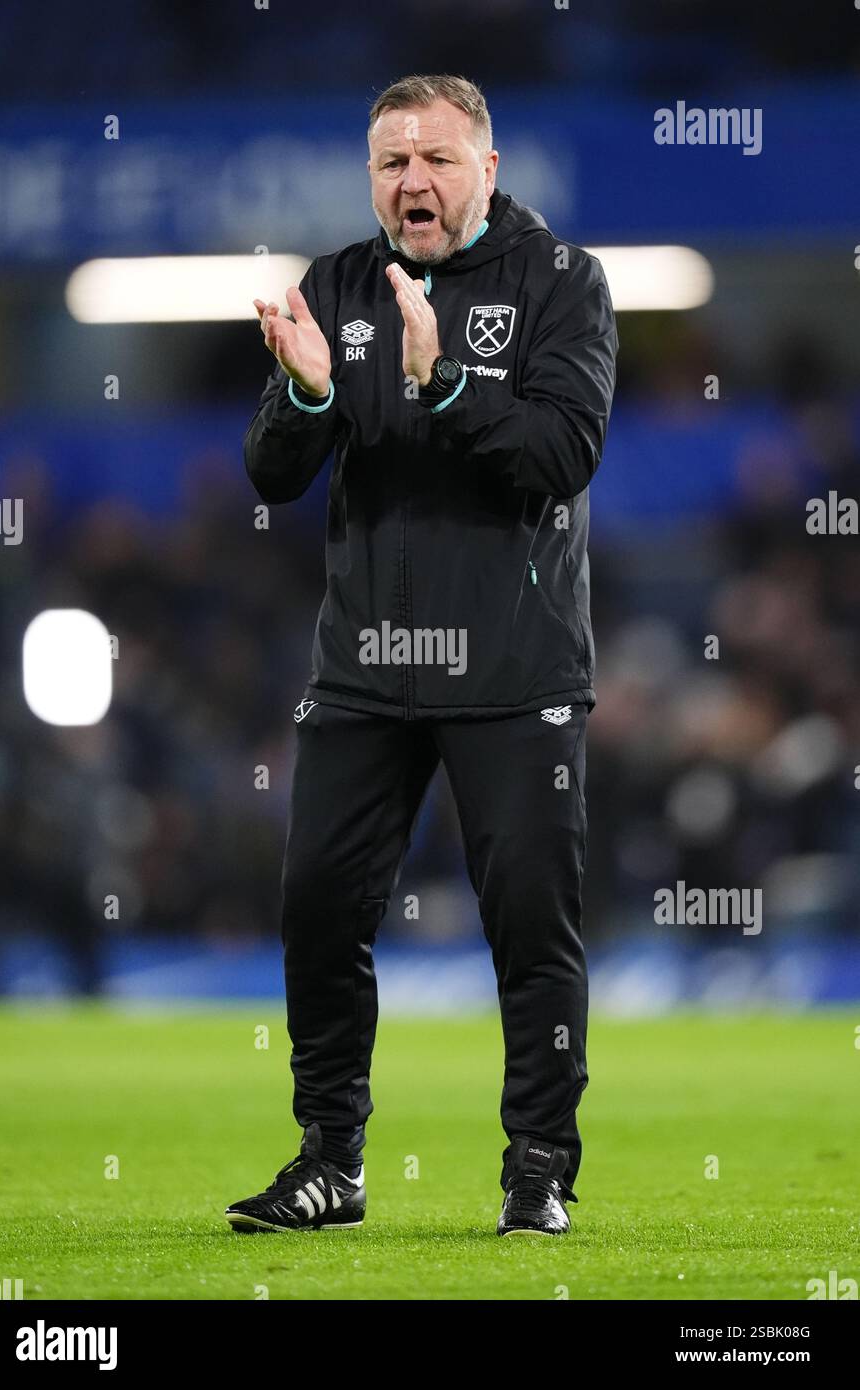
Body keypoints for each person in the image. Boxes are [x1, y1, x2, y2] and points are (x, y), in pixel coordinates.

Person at [225, 73, 617, 1238]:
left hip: (516, 674)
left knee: (531, 927)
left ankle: (538, 1168)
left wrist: (442, 382)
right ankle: (329, 1162)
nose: (414, 182)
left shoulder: (563, 285)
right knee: (316, 911)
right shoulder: (337, 284)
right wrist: (301, 396)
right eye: (392, 162)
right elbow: (270, 473)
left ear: (487, 170)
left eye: (437, 159)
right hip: (365, 671)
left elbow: (563, 451)